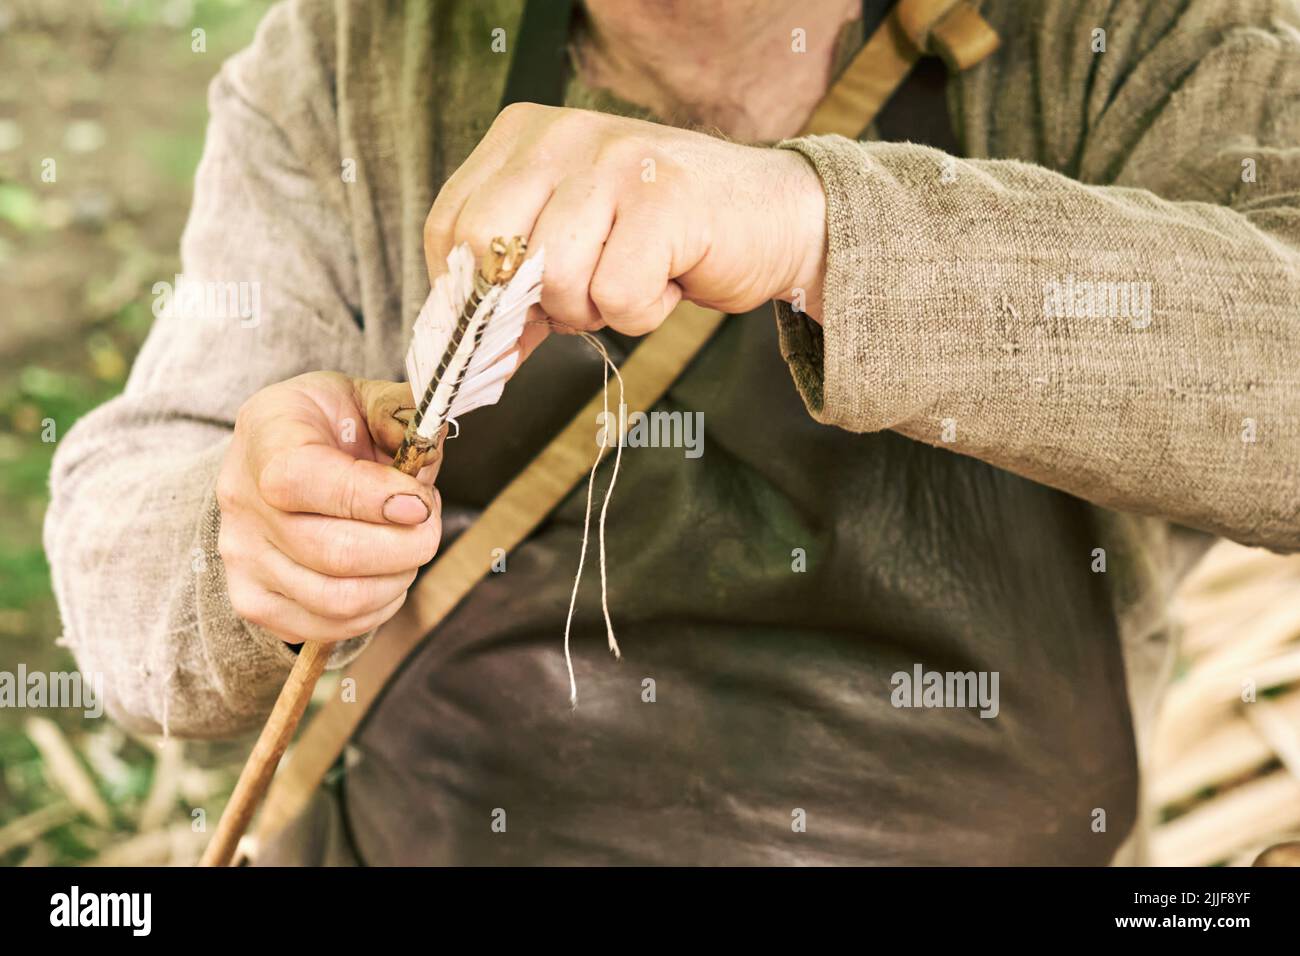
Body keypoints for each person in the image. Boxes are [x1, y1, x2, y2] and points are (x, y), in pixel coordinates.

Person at [45, 0, 1300, 864]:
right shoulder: (357, 58)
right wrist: (245, 542)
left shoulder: (1143, 36)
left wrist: (817, 228)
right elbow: (127, 535)